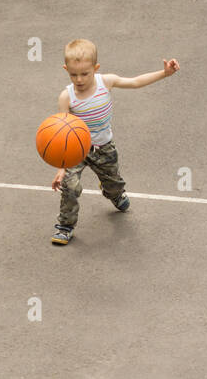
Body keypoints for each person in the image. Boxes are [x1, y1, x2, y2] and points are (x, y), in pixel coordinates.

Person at [50, 39, 180, 245]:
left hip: (104, 148)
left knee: (114, 184)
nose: (79, 79)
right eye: (73, 74)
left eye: (85, 73)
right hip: (77, 150)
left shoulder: (106, 82)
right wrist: (61, 168)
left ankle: (113, 193)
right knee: (70, 187)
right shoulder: (67, 97)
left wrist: (164, 73)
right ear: (66, 69)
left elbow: (136, 82)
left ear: (96, 68)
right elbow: (63, 133)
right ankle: (65, 226)